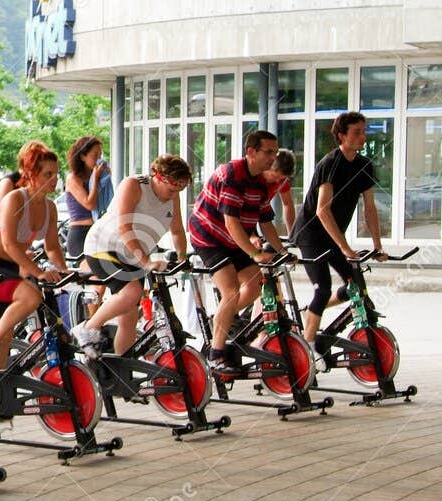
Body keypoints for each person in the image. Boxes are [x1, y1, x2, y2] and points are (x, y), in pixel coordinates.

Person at [186, 130, 289, 373]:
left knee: (256, 284)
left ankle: (223, 319)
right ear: (251, 152)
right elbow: (231, 222)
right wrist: (255, 255)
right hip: (209, 236)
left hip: (233, 238)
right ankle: (215, 353)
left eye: (275, 152)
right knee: (230, 291)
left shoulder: (262, 182)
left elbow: (265, 221)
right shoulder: (233, 174)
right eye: (268, 152)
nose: (273, 157)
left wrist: (282, 250)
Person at [70, 155, 191, 357]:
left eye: (179, 190)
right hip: (104, 247)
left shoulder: (173, 195)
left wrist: (182, 257)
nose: (174, 194)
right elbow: (124, 227)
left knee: (130, 316)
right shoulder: (134, 185)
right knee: (132, 293)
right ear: (158, 177)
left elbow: (177, 230)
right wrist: (147, 262)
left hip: (134, 255)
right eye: (171, 189)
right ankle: (88, 327)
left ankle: (123, 366)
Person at [0, 140, 67, 376]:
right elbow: (9, 244)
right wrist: (39, 271)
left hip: (11, 267)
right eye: (48, 174)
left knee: (7, 333)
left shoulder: (50, 207)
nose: (54, 179)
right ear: (30, 174)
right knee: (31, 297)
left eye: (56, 173)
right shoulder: (15, 199)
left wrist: (64, 271)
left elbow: (52, 246)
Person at [291, 112, 382, 343]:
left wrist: (377, 245)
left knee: (356, 286)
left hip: (332, 235)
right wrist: (345, 247)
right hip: (311, 233)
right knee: (323, 289)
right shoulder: (330, 163)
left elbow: (369, 208)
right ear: (342, 136)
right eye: (357, 132)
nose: (363, 136)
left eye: (364, 131)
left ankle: (310, 311)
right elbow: (322, 209)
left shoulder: (364, 165)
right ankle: (309, 346)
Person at [63, 136, 105, 262]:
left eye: (100, 155)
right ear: (82, 156)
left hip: (96, 230)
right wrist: (96, 180)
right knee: (94, 277)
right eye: (95, 155)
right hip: (80, 233)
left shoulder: (93, 176)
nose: (98, 159)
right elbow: (89, 204)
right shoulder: (73, 178)